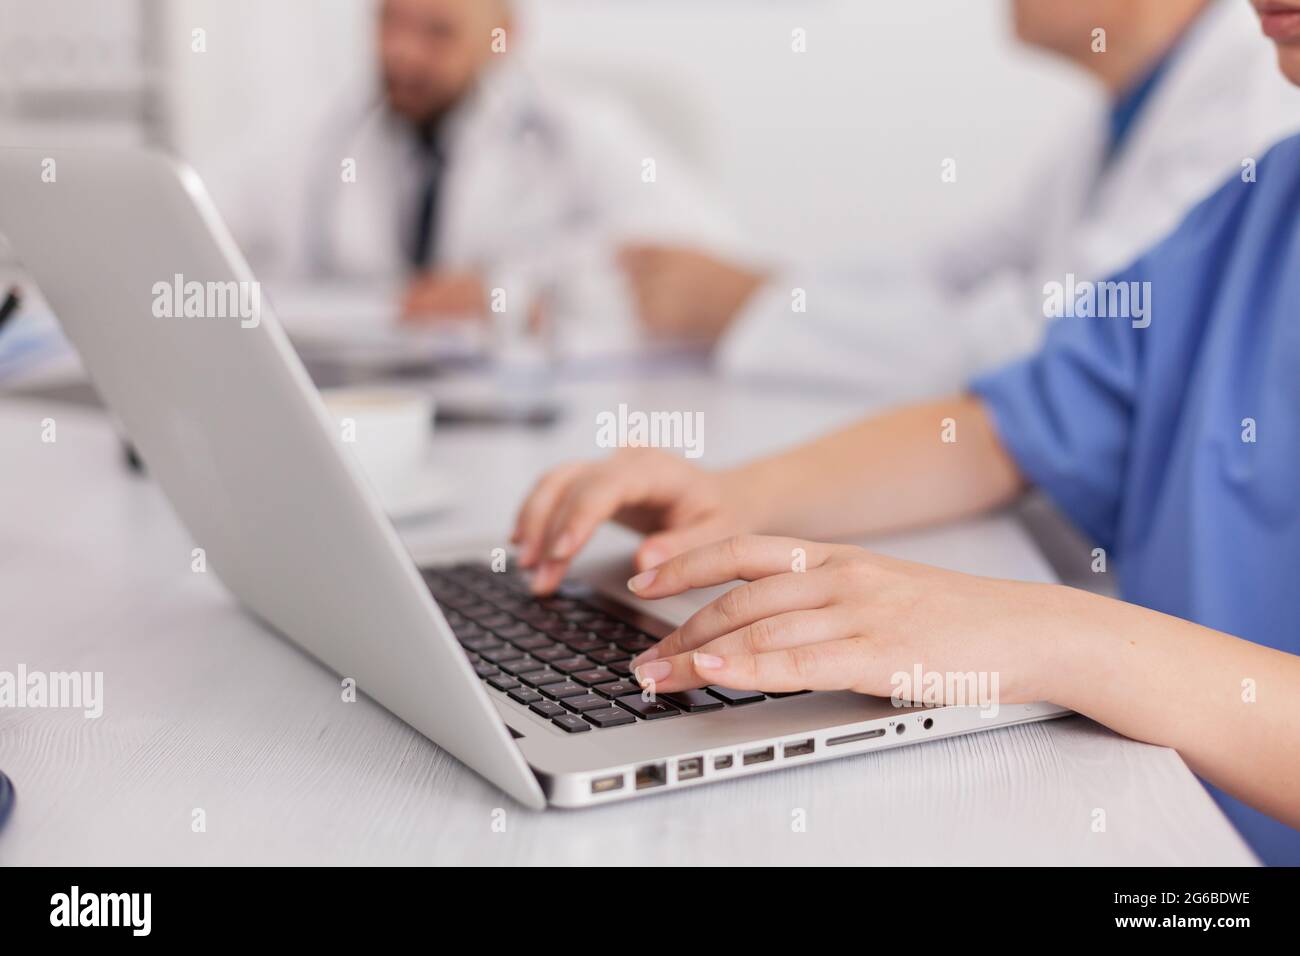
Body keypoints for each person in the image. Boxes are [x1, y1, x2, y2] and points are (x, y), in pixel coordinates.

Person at [511, 0, 1300, 866]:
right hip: (1170, 817)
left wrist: (1058, 638)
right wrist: (736, 498)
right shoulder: (1259, 211)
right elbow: (1007, 425)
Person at [620, 0, 1300, 398]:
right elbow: (947, 270)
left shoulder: (1250, 106)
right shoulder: (1122, 113)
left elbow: (1048, 348)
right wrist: (773, 293)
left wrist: (752, 309)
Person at [220, 0, 736, 352]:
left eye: (437, 32)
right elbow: (199, 217)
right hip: (365, 402)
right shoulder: (319, 132)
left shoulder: (576, 133)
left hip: (531, 420)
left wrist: (507, 292)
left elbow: (708, 260)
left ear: (502, 38)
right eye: (390, 22)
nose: (402, 53)